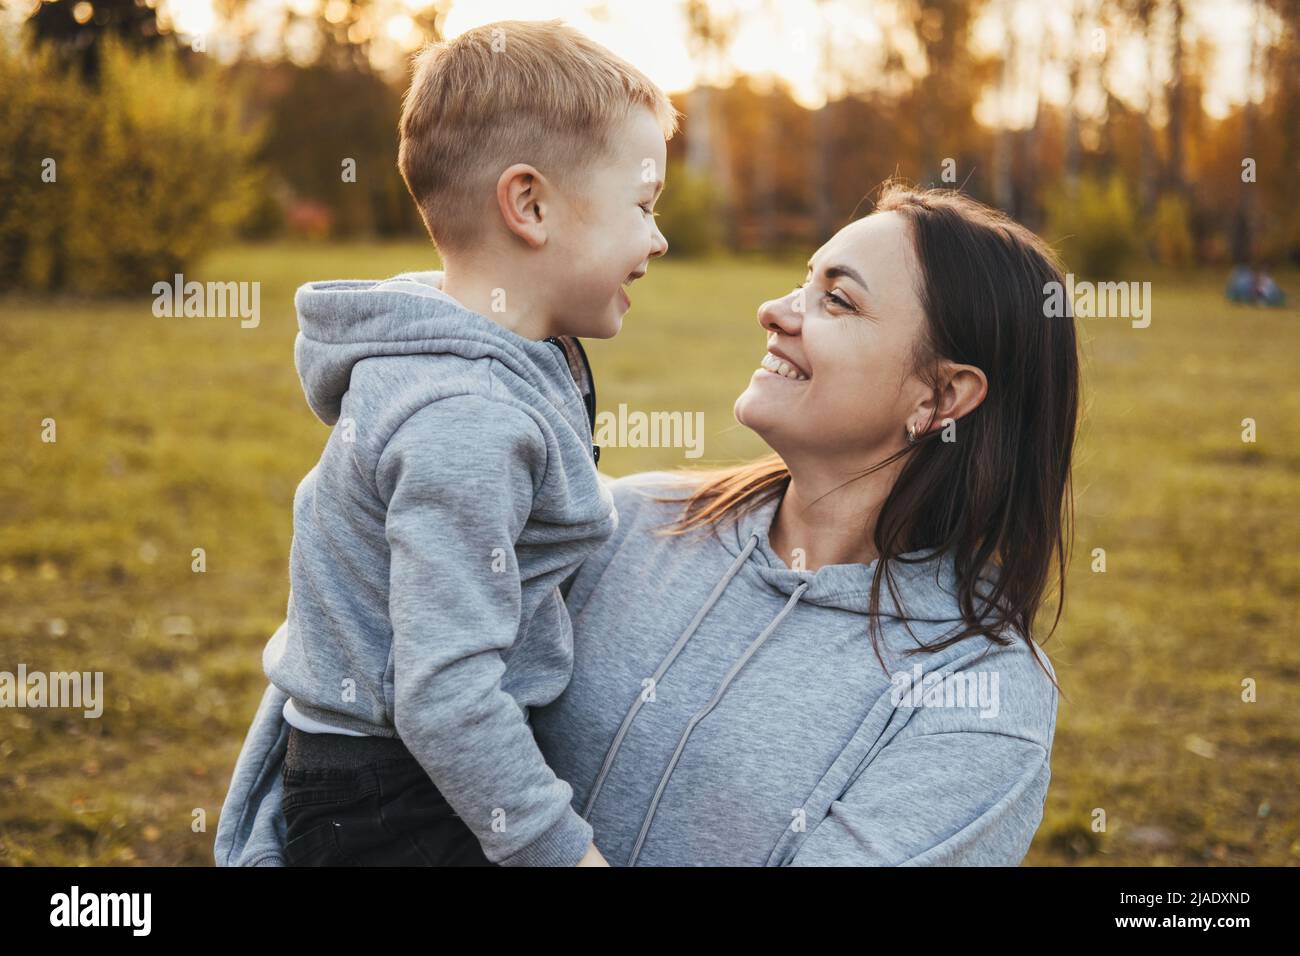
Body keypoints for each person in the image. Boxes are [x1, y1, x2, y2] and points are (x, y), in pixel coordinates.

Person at [217, 184, 1078, 867]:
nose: (776, 311)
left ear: (943, 396)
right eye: (800, 281)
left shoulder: (979, 700)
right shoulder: (621, 520)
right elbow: (346, 675)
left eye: (837, 301)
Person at [215, 19, 675, 868]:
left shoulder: (494, 355)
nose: (658, 239)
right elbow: (443, 693)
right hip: (398, 802)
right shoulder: (466, 414)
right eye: (642, 206)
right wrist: (563, 852)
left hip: (404, 770)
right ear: (529, 205)